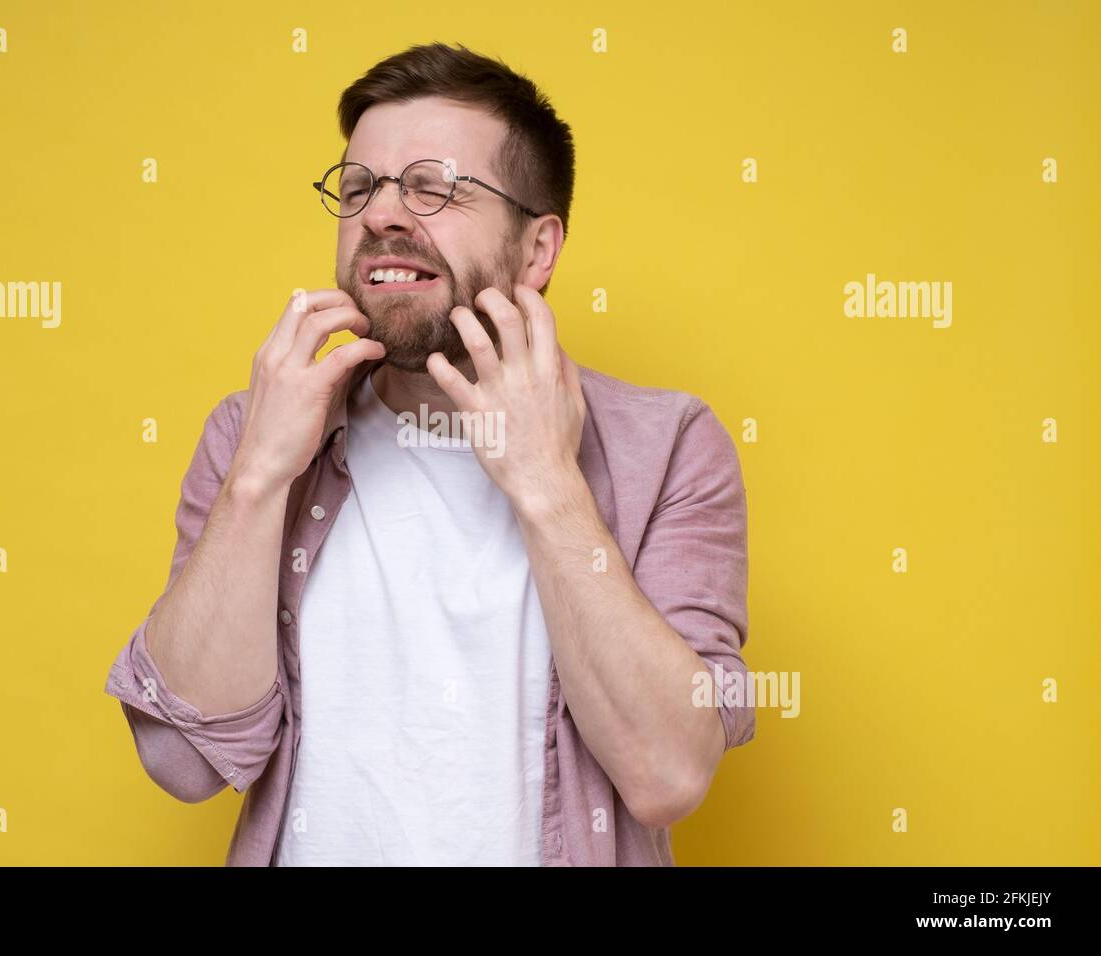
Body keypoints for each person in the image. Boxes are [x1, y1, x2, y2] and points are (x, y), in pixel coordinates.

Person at [104, 41, 755, 866]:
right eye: (360, 187)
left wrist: (550, 485)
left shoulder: (666, 446)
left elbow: (667, 771)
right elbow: (182, 760)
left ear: (538, 249)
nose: (380, 215)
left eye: (433, 186)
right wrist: (260, 476)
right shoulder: (252, 434)